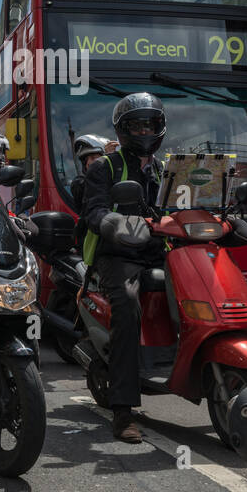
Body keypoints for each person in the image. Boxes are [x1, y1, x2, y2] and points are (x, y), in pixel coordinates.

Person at [80, 93, 167, 443]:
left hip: (159, 249)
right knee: (128, 306)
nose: (145, 130)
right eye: (137, 125)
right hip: (118, 253)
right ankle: (122, 412)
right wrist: (112, 222)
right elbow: (93, 211)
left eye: (150, 123)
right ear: (124, 129)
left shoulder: (166, 169)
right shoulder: (105, 167)